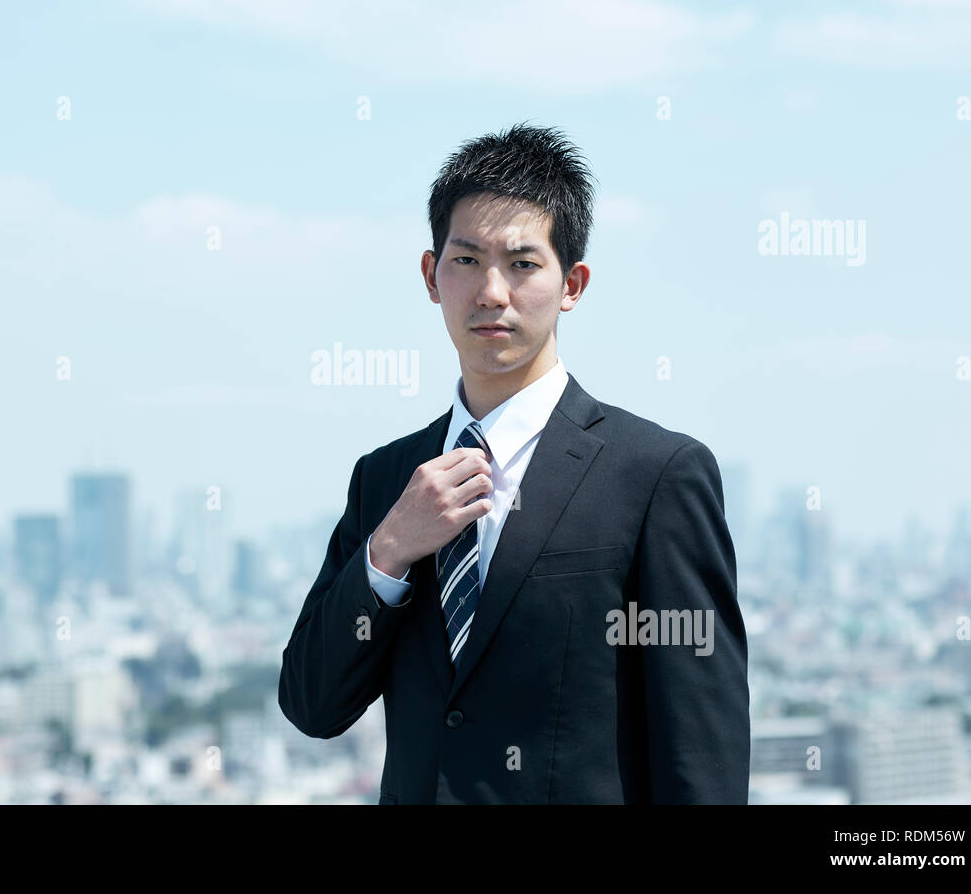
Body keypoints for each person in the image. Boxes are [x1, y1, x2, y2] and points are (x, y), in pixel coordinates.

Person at [278, 122, 750, 803]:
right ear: (430, 276)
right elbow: (311, 705)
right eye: (466, 260)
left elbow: (700, 757)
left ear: (572, 284)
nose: (492, 291)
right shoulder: (385, 479)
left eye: (523, 264)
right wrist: (388, 551)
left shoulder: (655, 476)